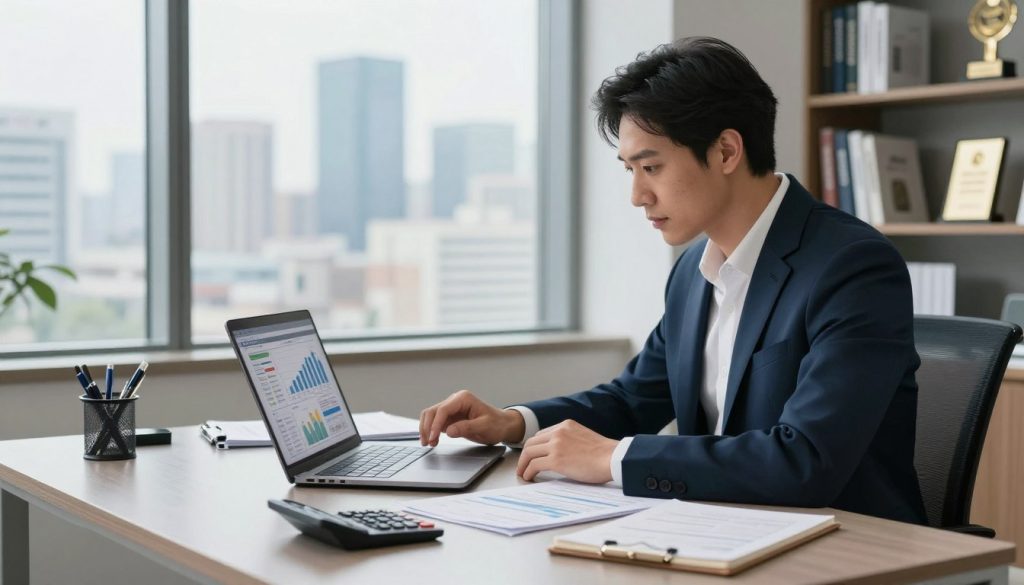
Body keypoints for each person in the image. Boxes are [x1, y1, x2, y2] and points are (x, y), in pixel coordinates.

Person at [418, 37, 927, 524]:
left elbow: (806, 460)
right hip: (724, 529)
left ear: (727, 152)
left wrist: (615, 459)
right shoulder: (692, 270)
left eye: (652, 167)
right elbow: (633, 398)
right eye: (629, 170)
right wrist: (515, 422)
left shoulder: (853, 267)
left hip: (848, 544)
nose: (637, 195)